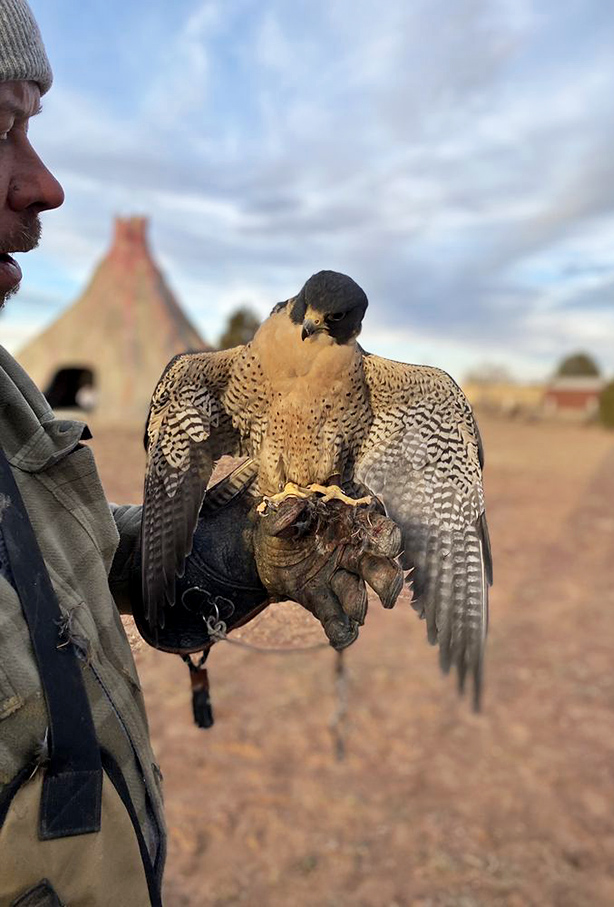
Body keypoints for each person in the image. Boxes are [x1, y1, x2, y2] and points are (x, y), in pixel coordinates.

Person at [0, 3, 402, 904]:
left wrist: (245, 549)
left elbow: (64, 557)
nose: (45, 183)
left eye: (30, 128)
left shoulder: (4, 391)